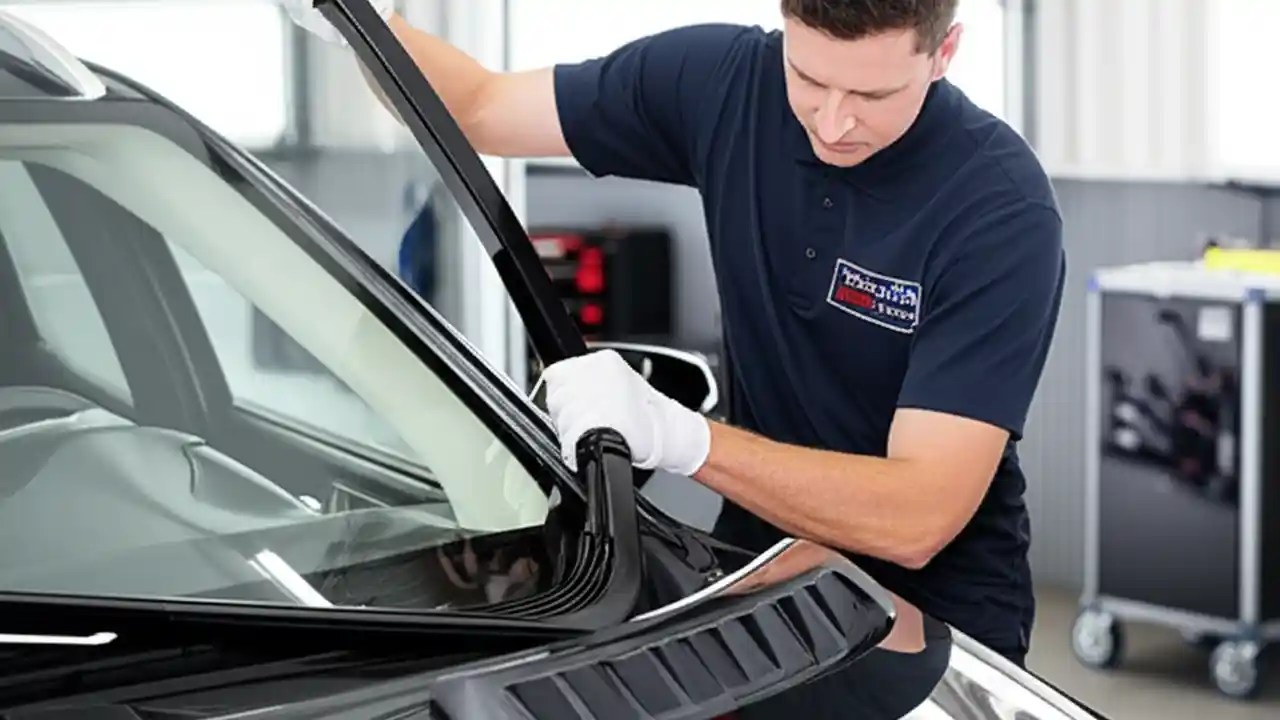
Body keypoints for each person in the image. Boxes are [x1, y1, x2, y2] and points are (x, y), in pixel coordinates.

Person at [284, 0, 1066, 669]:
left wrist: (682, 438)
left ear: (945, 53)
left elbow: (919, 517)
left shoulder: (996, 207)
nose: (833, 121)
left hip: (931, 630)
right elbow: (480, 107)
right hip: (758, 584)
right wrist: (360, 22)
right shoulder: (722, 82)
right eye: (810, 78)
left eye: (871, 92)